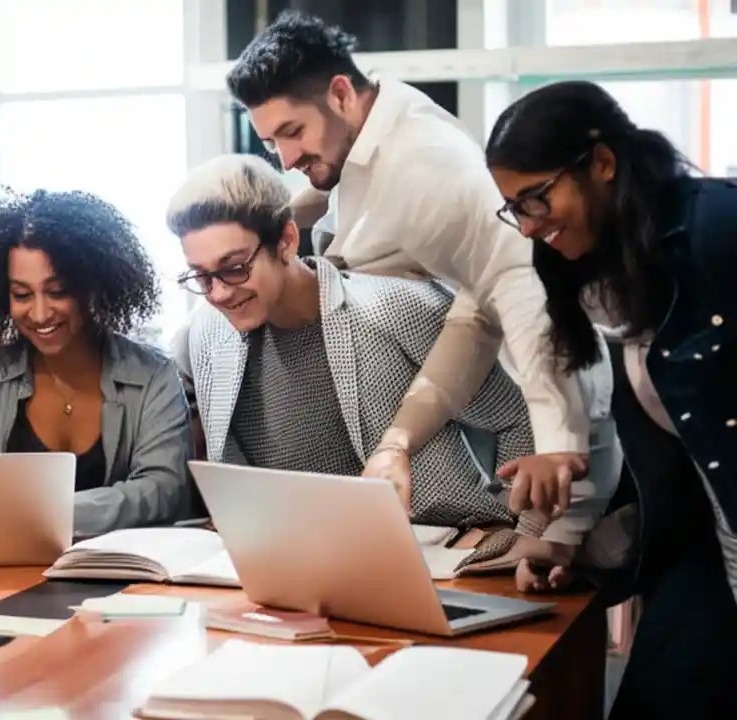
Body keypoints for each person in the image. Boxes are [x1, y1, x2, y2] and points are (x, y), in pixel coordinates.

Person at [225, 11, 619, 579]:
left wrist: (559, 455)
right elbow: (474, 300)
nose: (285, 157)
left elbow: (521, 285)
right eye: (271, 142)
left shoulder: (424, 166)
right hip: (519, 392)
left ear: (340, 93)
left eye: (292, 133)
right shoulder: (368, 130)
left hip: (570, 425)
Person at [485, 80, 737, 718]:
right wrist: (569, 543)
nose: (529, 226)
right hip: (710, 553)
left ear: (602, 165)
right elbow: (672, 453)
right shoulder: (604, 278)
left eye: (536, 199)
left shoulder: (717, 232)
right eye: (513, 208)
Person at [167, 154, 549, 565]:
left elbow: (517, 419)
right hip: (291, 559)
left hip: (433, 552)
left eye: (236, 268)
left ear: (287, 241)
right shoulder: (205, 333)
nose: (219, 293)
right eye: (201, 276)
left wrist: (517, 535)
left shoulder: (395, 309)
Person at [0, 189, 193, 537]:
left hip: (119, 579)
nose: (39, 313)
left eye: (57, 291)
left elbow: (163, 491)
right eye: (22, 295)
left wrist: (35, 515)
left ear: (92, 287)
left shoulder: (153, 375)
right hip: (3, 576)